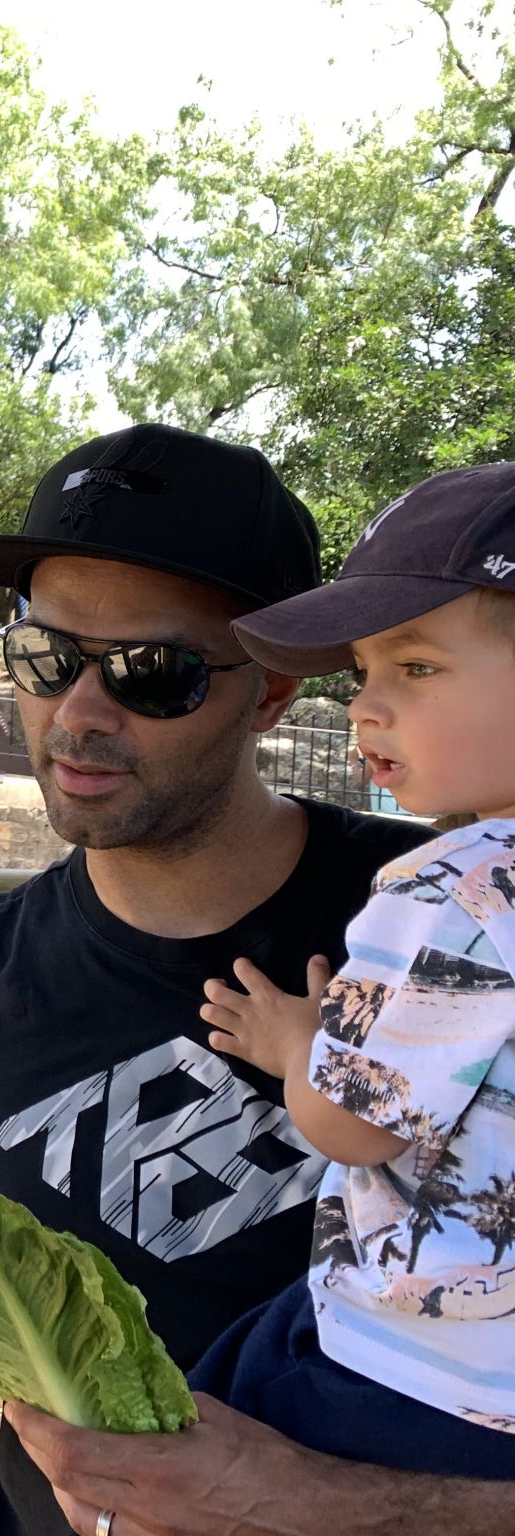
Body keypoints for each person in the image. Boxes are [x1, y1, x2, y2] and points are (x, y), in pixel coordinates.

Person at [0, 425, 515, 1536]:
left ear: (269, 695)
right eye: (42, 658)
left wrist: (327, 1504)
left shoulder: (447, 923)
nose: (76, 713)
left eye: (149, 672)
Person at [184, 461, 515, 1472]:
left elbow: (349, 1123)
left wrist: (300, 1039)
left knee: (184, 1436)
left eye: (414, 669)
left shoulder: (445, 887)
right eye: (363, 672)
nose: (364, 709)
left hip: (408, 1364)